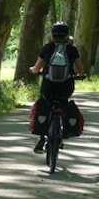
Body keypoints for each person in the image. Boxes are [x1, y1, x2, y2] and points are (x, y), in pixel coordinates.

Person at [28, 21, 86, 153]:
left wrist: (33, 71)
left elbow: (37, 68)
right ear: (67, 36)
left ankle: (42, 136)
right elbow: (80, 70)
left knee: (45, 104)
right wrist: (81, 75)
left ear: (52, 35)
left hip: (48, 87)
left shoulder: (47, 48)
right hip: (66, 87)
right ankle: (64, 133)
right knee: (64, 105)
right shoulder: (72, 50)